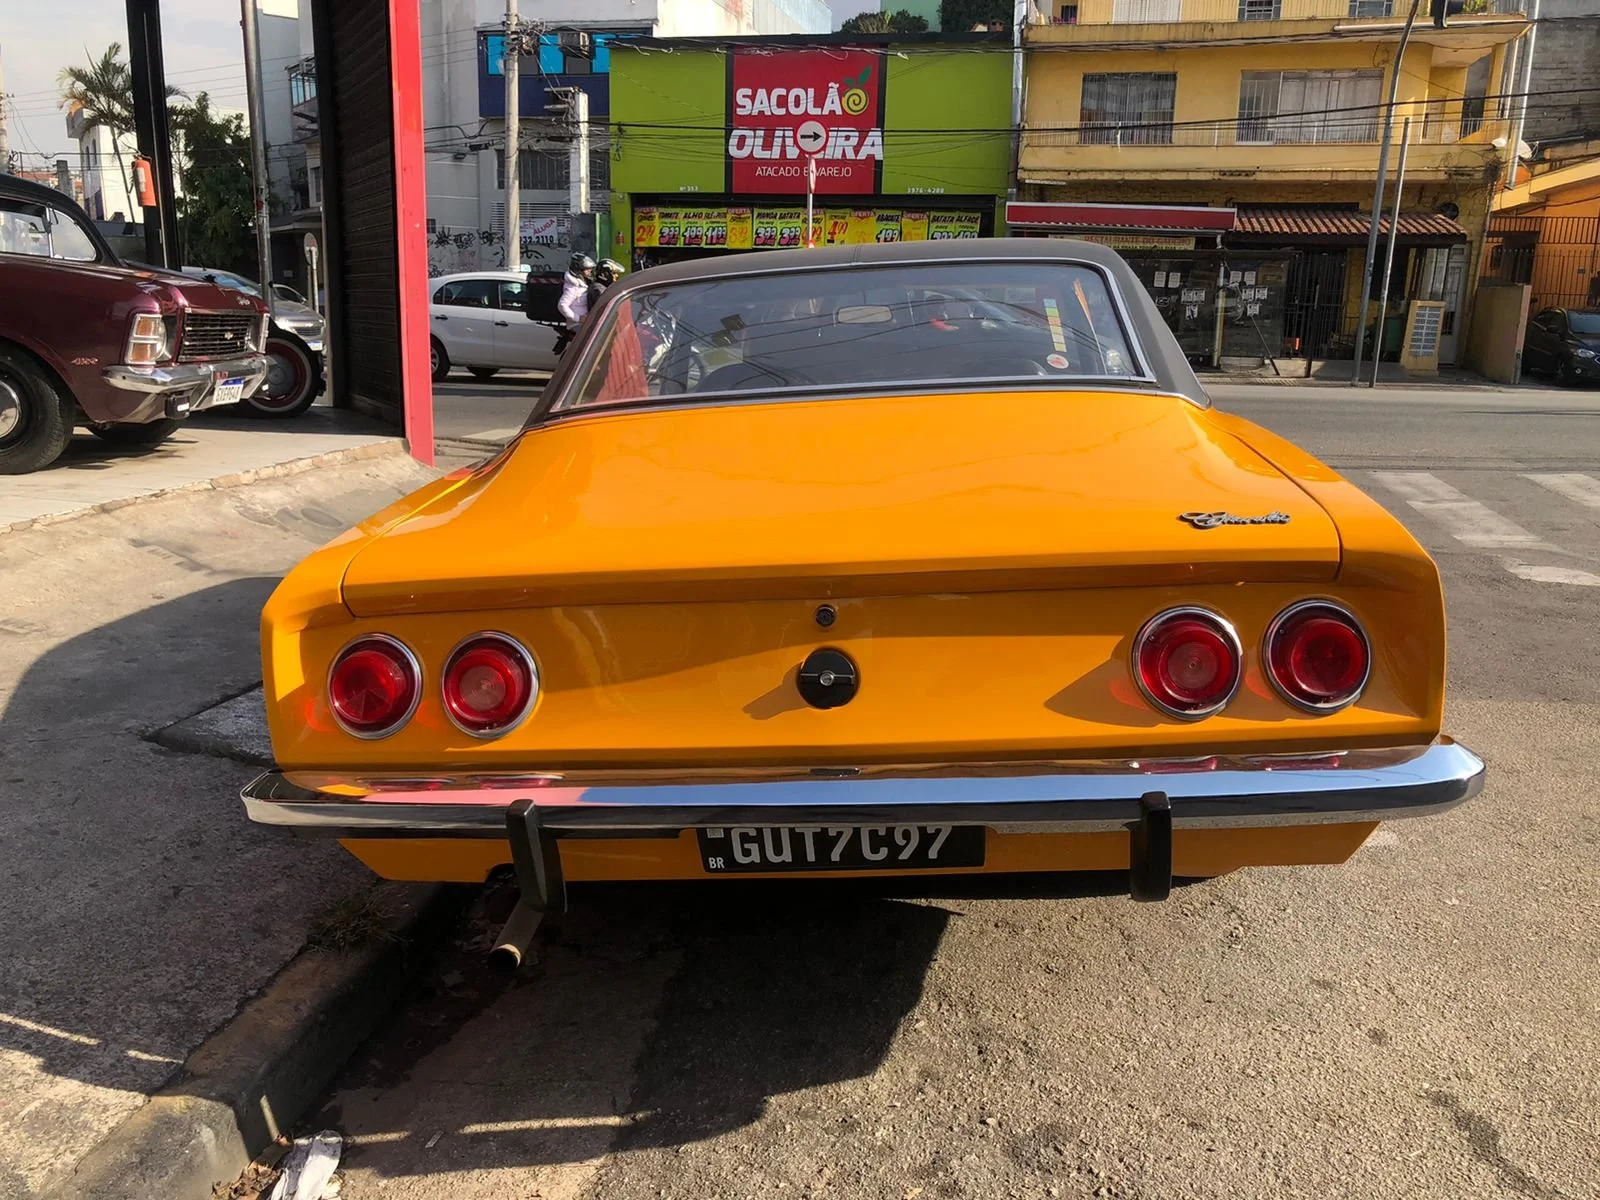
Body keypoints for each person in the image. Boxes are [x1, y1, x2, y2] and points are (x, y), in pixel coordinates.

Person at [554, 253, 595, 357]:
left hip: (584, 322)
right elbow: (562, 305)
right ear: (579, 270)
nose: (590, 271)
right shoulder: (573, 287)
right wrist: (578, 318)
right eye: (587, 269)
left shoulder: (581, 284)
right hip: (576, 325)